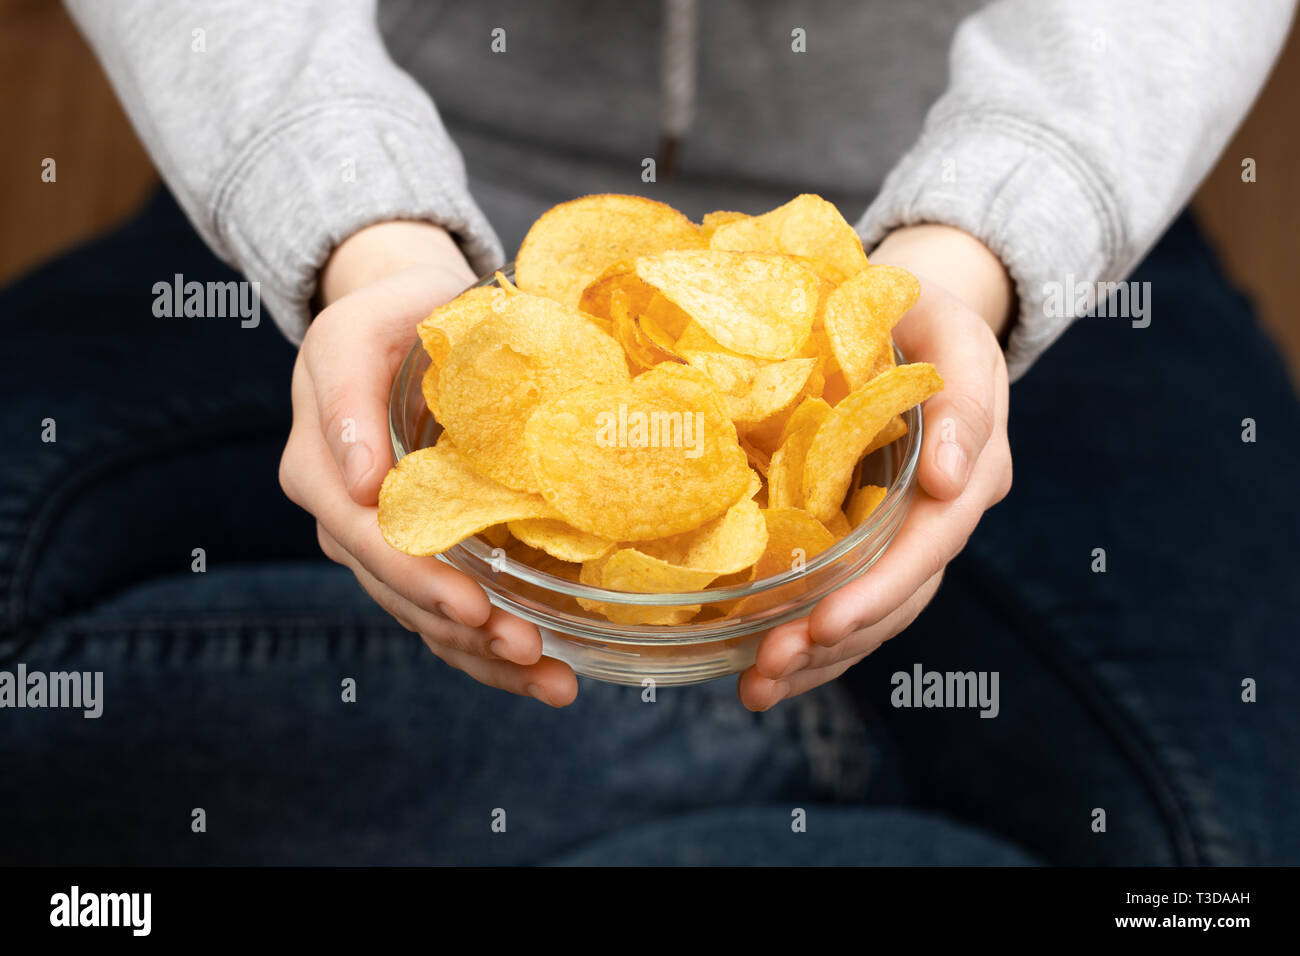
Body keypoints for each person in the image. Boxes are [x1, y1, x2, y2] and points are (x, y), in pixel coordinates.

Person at [0, 0, 1293, 865]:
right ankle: (821, 751)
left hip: (1010, 233)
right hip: (367, 197)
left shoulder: (996, 238)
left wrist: (992, 233)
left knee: (1204, 862)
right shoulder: (357, 226)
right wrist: (348, 221)